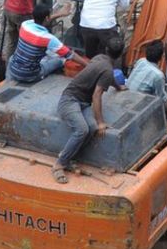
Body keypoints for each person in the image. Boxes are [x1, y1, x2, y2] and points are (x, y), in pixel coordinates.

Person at [51, 35, 125, 184]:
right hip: (69, 100)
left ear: (106, 50)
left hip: (81, 103)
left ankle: (70, 155)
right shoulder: (108, 70)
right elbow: (97, 96)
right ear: (121, 54)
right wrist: (101, 121)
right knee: (82, 129)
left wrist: (118, 86)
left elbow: (106, 78)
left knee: (91, 128)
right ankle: (59, 164)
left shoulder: (99, 59)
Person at [7, 3, 86, 83]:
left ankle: (9, 80)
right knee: (60, 60)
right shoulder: (48, 38)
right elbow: (70, 54)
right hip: (31, 75)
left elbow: (42, 19)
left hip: (13, 70)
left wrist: (61, 14)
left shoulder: (25, 25)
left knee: (12, 58)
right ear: (46, 18)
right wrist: (87, 65)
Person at [126, 41, 167, 114]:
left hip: (127, 99)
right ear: (161, 57)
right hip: (138, 108)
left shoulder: (141, 61)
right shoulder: (158, 75)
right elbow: (161, 98)